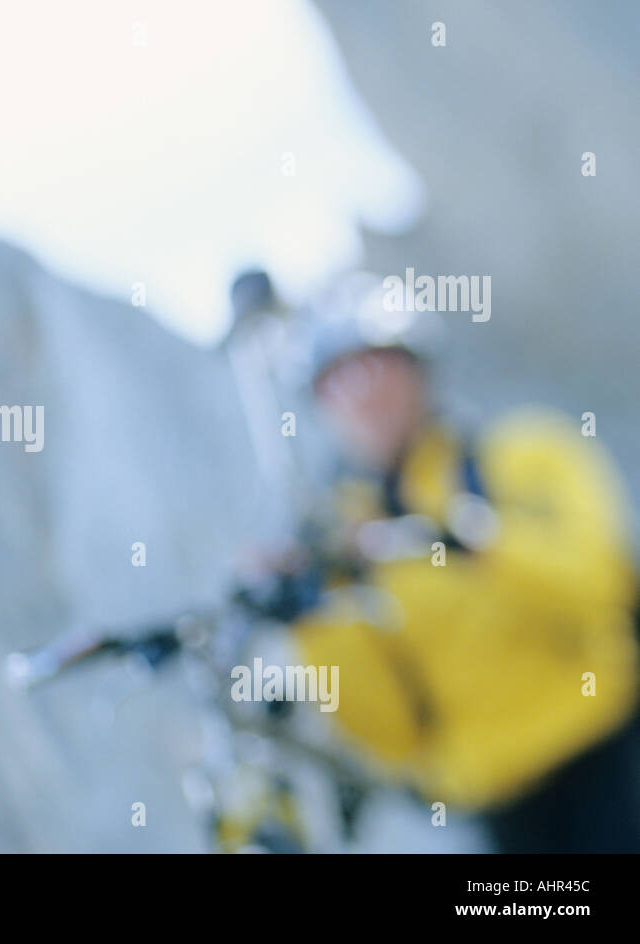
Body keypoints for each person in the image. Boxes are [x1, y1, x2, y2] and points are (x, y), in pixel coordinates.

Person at [253, 271, 640, 853]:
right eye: (336, 383)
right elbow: (394, 735)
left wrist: (469, 537)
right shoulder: (346, 546)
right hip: (502, 812)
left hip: (612, 756)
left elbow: (603, 585)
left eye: (376, 366)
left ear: (418, 368)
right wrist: (311, 620)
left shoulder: (525, 454)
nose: (362, 395)